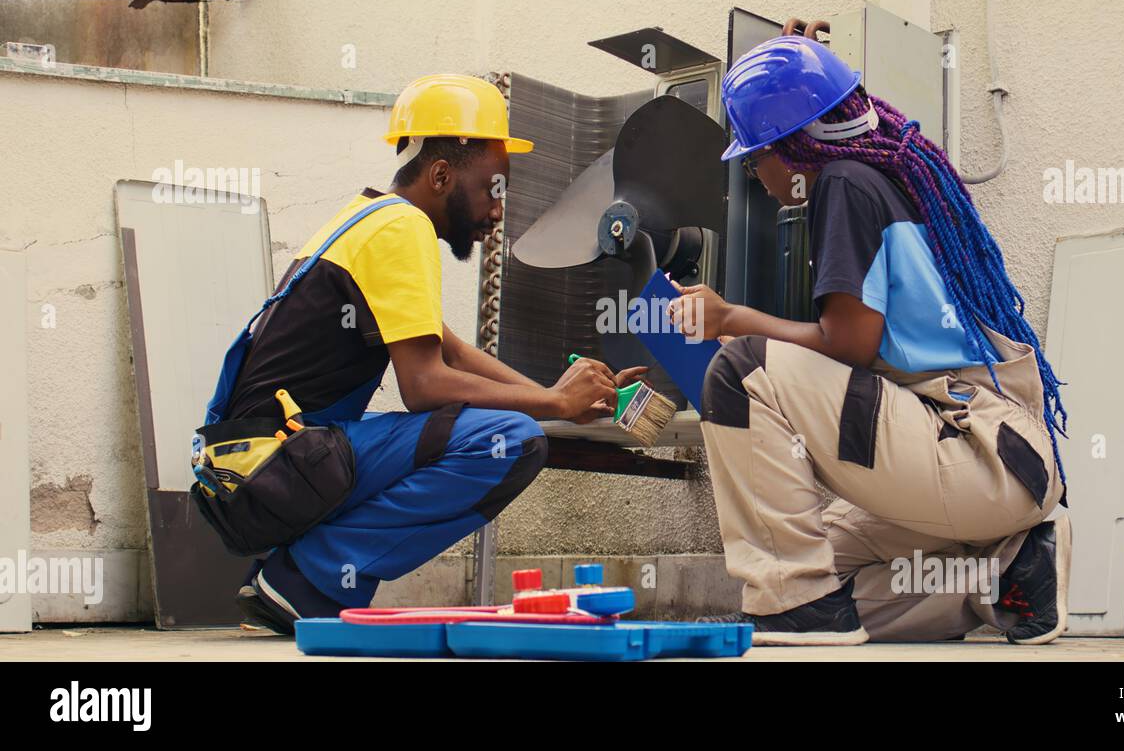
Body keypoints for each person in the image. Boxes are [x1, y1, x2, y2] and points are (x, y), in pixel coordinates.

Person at [198, 75, 643, 634]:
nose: (498, 211)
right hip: (276, 469)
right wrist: (551, 405)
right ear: (441, 175)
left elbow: (450, 351)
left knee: (512, 425)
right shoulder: (402, 228)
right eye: (492, 188)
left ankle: (302, 576)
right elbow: (425, 384)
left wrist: (559, 393)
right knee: (513, 441)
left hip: (257, 467)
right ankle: (307, 578)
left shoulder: (371, 219)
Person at [668, 36, 1071, 645]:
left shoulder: (845, 186)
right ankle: (1002, 579)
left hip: (972, 449)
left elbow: (849, 345)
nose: (758, 178)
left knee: (739, 371)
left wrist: (731, 320)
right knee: (823, 561)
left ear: (790, 148)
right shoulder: (889, 180)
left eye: (754, 162)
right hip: (998, 458)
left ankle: (795, 608)